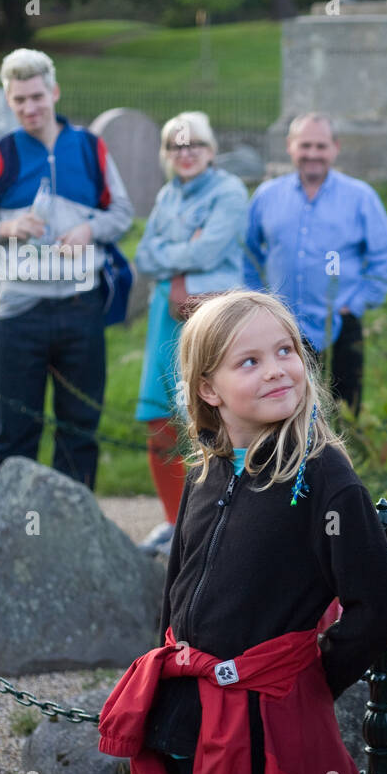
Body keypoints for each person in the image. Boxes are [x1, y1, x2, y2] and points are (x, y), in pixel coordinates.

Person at [99, 290, 387, 774]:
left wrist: (304, 683)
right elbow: (175, 595)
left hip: (264, 731)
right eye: (250, 361)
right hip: (186, 718)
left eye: (286, 351)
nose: (276, 371)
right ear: (207, 389)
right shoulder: (207, 471)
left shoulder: (324, 480)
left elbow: (377, 608)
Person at [0, 48, 134, 490]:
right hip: (20, 311)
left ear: (54, 92)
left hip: (81, 308)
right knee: (16, 430)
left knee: (79, 427)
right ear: (9, 102)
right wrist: (6, 226)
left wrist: (90, 229)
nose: (30, 108)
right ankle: (15, 535)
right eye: (20, 101)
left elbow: (124, 213)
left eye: (37, 96)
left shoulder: (91, 147)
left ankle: (72, 536)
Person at [132, 111, 249, 557]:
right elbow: (144, 255)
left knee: (208, 418)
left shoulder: (229, 191)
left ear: (211, 150)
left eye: (194, 145)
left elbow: (212, 247)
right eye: (176, 146)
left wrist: (173, 257)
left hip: (212, 314)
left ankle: (206, 521)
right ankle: (170, 521)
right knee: (160, 419)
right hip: (167, 315)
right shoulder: (167, 195)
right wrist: (181, 261)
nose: (186, 154)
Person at [243, 112, 387, 417]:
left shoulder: (360, 197)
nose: (312, 154)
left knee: (343, 417)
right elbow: (247, 254)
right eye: (305, 146)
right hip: (279, 330)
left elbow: (385, 259)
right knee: (282, 416)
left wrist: (354, 303)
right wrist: (258, 302)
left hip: (340, 327)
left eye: (320, 146)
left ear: (335, 148)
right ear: (290, 146)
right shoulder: (266, 196)